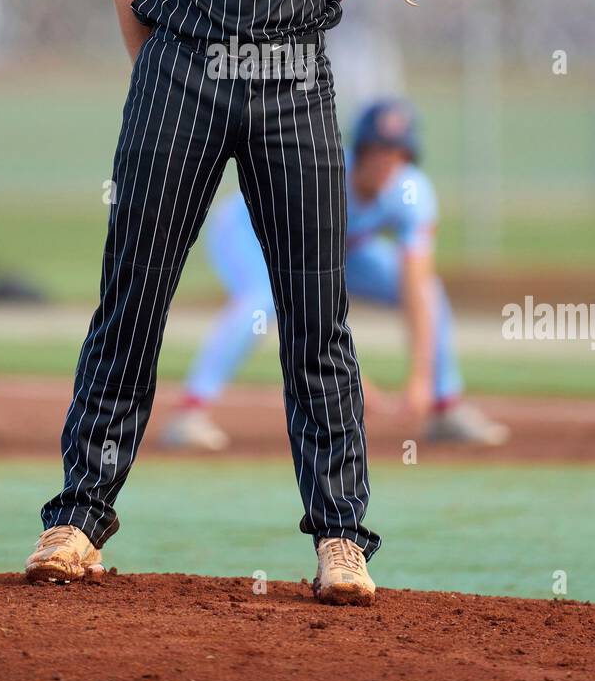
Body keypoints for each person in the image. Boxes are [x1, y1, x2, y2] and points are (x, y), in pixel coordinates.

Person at [25, 0, 456, 605]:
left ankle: (339, 540)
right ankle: (76, 519)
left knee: (317, 317)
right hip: (180, 69)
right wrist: (159, 76)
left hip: (298, 77)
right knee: (133, 298)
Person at [163, 99, 509, 451]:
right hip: (248, 233)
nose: (388, 163)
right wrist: (353, 378)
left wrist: (420, 378)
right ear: (360, 150)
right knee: (263, 299)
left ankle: (445, 407)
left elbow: (415, 286)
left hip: (343, 248)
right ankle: (189, 412)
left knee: (432, 292)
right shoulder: (324, 181)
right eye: (378, 151)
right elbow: (307, 296)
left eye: (398, 153)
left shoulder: (411, 193)